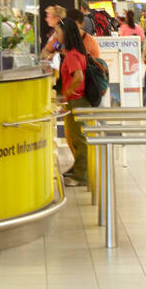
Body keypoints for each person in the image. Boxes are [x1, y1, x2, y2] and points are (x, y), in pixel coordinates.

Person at [57, 18, 91, 186]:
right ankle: (78, 170)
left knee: (78, 138)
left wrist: (68, 92)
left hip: (76, 100)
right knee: (76, 137)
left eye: (58, 32)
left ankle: (81, 175)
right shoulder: (77, 52)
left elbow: (78, 76)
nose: (56, 36)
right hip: (79, 100)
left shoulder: (72, 56)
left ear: (66, 34)